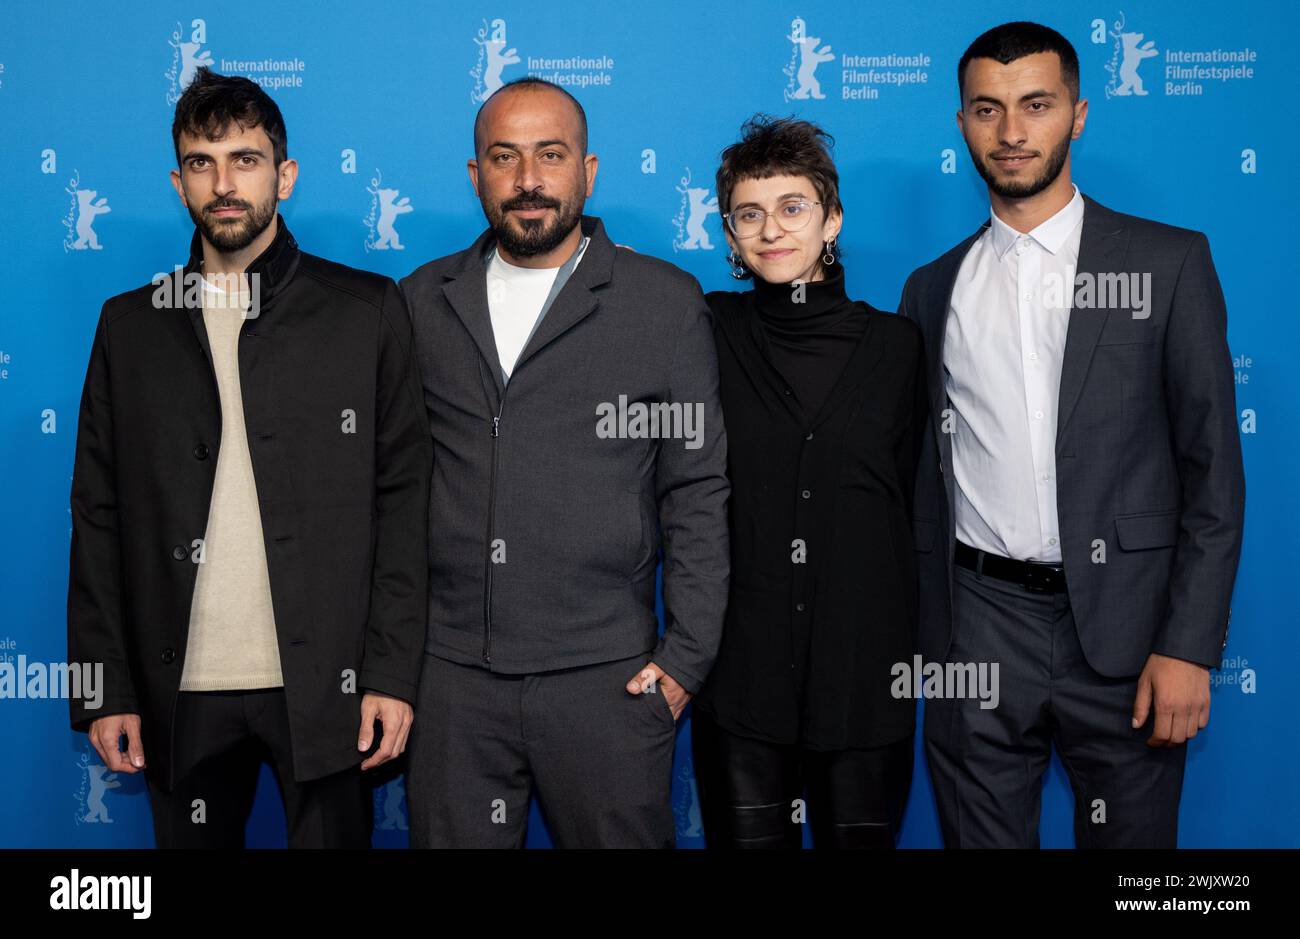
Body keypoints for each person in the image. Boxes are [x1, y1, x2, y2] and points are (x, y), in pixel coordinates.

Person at [899, 22, 1245, 847]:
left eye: (1036, 105)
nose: (1011, 132)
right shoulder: (931, 287)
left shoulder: (1168, 263)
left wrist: (1189, 646)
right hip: (976, 628)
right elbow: (921, 473)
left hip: (1130, 638)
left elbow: (1214, 476)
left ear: (1078, 114)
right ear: (962, 126)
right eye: (987, 109)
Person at [67, 68, 432, 848]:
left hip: (326, 686)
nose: (224, 183)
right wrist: (103, 689)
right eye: (202, 162)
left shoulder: (366, 309)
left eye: (246, 159)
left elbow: (405, 499)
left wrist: (391, 673)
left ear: (285, 175)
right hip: (180, 689)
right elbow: (97, 517)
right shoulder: (131, 326)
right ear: (178, 182)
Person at [400, 77, 730, 848]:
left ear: (588, 169)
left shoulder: (663, 301)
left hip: (606, 680)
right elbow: (387, 488)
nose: (528, 181)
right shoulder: (419, 300)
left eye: (551, 155)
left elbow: (698, 490)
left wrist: (685, 658)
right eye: (504, 157)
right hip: (450, 681)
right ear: (475, 174)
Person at [690, 115, 926, 849]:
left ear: (832, 219)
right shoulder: (703, 330)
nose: (771, 230)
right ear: (728, 233)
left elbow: (914, 503)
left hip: (864, 678)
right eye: (749, 214)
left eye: (793, 207)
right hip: (741, 679)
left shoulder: (897, 346)